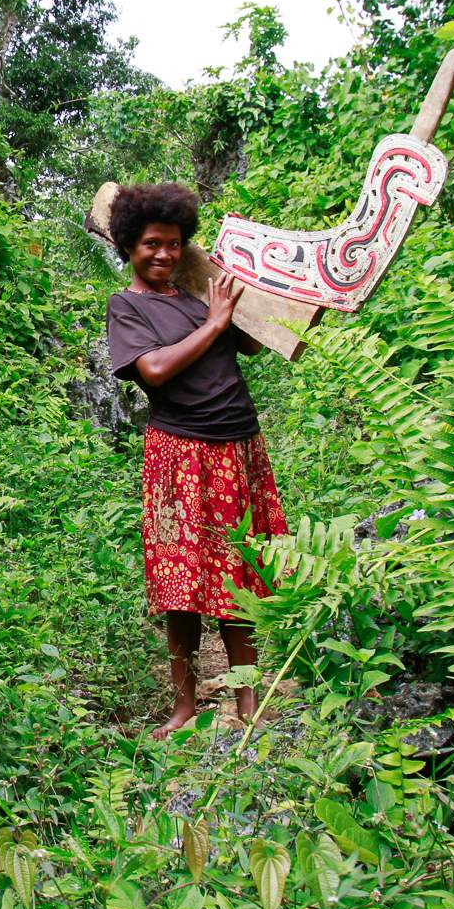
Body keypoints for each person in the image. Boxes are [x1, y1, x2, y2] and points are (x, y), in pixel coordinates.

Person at [102, 182, 288, 739]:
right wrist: (213, 322)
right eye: (151, 244)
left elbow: (255, 342)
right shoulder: (127, 306)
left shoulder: (197, 293)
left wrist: (256, 295)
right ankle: (184, 706)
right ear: (128, 246)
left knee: (238, 574)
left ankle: (248, 701)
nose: (164, 254)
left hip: (237, 444)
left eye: (174, 243)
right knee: (178, 580)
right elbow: (154, 370)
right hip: (179, 451)